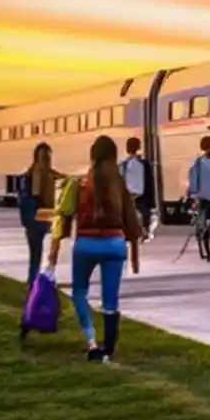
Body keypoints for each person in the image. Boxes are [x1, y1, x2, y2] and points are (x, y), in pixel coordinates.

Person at [45, 136, 143, 362]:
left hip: (86, 245)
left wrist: (53, 253)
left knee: (79, 293)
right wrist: (135, 250)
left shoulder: (80, 184)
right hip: (115, 245)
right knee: (111, 301)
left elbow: (65, 217)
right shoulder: (119, 184)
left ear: (93, 155)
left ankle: (91, 342)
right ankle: (108, 348)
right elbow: (131, 220)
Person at [18, 143, 64, 288]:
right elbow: (37, 194)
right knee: (39, 252)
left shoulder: (32, 172)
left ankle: (34, 279)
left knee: (36, 253)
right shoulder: (40, 172)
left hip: (33, 220)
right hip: (39, 218)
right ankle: (34, 282)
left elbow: (59, 175)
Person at [187, 136, 210, 262]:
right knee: (209, 224)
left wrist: (192, 194)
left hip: (202, 197)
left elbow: (193, 180)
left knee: (202, 225)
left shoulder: (197, 163)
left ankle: (204, 249)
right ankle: (207, 250)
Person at [120, 137, 156, 242]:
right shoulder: (144, 164)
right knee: (144, 213)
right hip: (142, 194)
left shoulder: (124, 164)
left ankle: (130, 233)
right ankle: (145, 232)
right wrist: (152, 202)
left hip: (129, 195)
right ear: (138, 147)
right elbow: (149, 183)